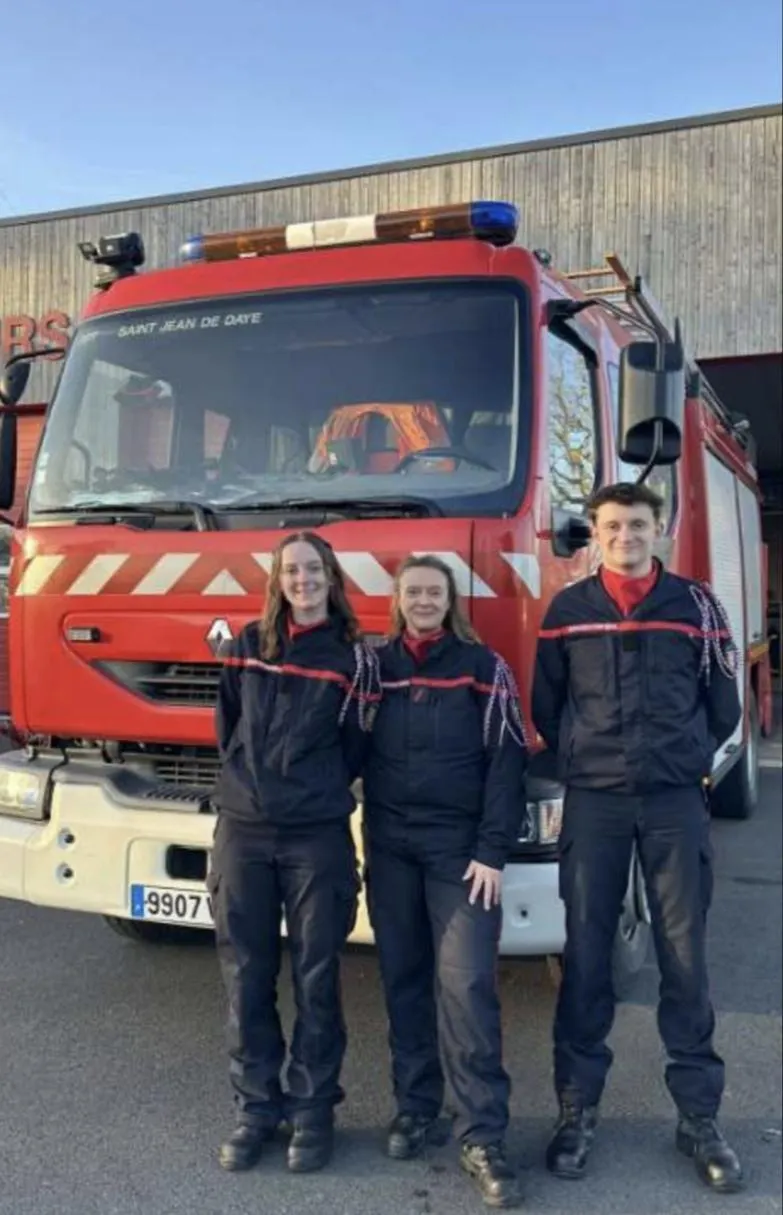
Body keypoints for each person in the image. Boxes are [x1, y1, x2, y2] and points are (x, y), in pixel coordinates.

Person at [532, 481, 744, 1194]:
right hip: (593, 803)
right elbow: (546, 704)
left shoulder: (696, 607)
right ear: (594, 533)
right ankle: (576, 1109)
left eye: (639, 523)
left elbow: (722, 705)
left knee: (682, 958)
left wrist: (681, 761)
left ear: (660, 528)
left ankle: (698, 1117)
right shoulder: (566, 612)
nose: (626, 535)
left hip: (671, 803)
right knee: (586, 954)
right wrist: (582, 763)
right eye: (612, 525)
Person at [209, 531, 380, 1174]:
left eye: (312, 569)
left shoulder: (353, 659)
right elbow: (226, 725)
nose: (302, 580)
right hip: (244, 832)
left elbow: (358, 746)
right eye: (290, 570)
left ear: (331, 578)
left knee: (316, 976)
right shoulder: (248, 646)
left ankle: (312, 1112)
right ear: (277, 580)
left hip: (315, 835)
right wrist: (247, 788)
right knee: (246, 975)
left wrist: (317, 789)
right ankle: (257, 1109)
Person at [363, 554, 528, 1210]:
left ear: (449, 599)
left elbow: (508, 758)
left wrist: (492, 848)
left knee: (463, 985)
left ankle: (482, 1134)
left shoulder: (482, 667)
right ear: (398, 601)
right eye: (414, 592)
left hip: (460, 853)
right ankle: (415, 1107)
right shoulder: (373, 666)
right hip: (389, 846)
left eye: (434, 591)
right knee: (403, 979)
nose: (424, 601)